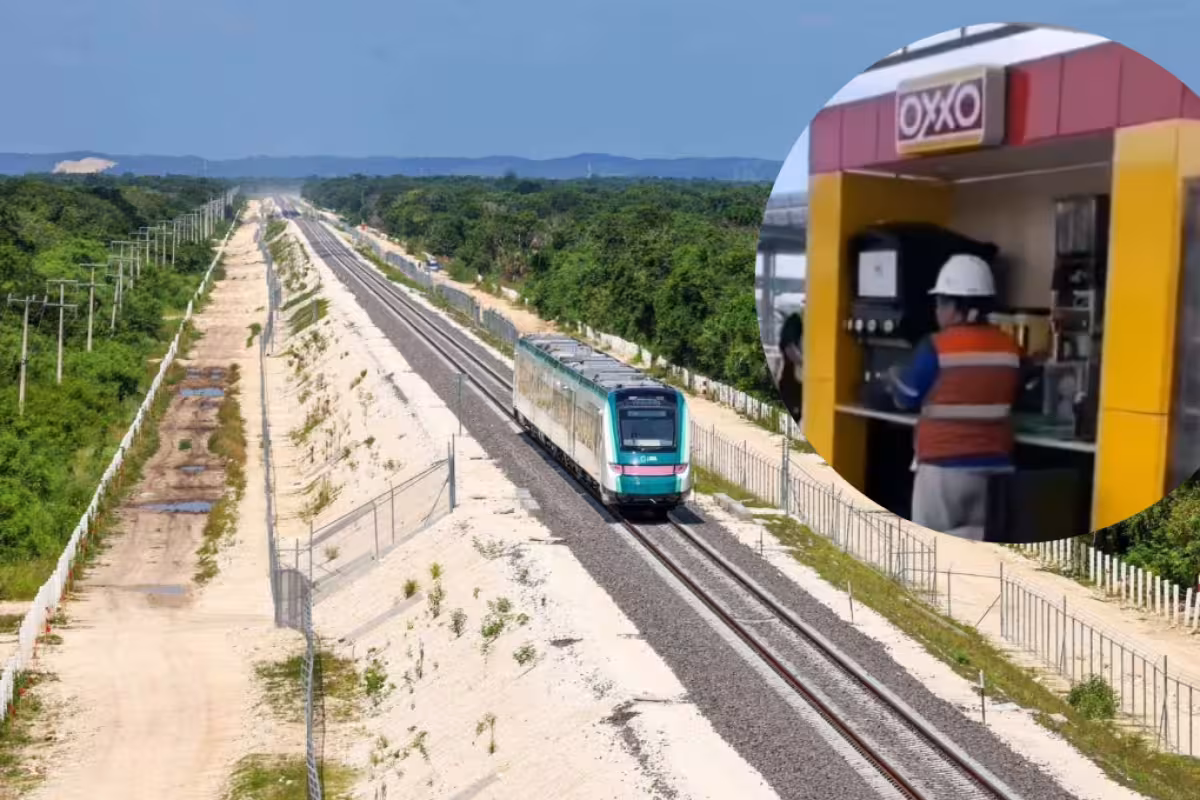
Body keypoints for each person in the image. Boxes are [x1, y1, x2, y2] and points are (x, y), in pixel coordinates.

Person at [884, 254, 1022, 541]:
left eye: (939, 303)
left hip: (943, 471)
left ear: (955, 306)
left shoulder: (936, 346)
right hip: (995, 470)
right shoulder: (1010, 348)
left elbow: (907, 397)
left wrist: (894, 376)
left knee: (928, 549)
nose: (936, 311)